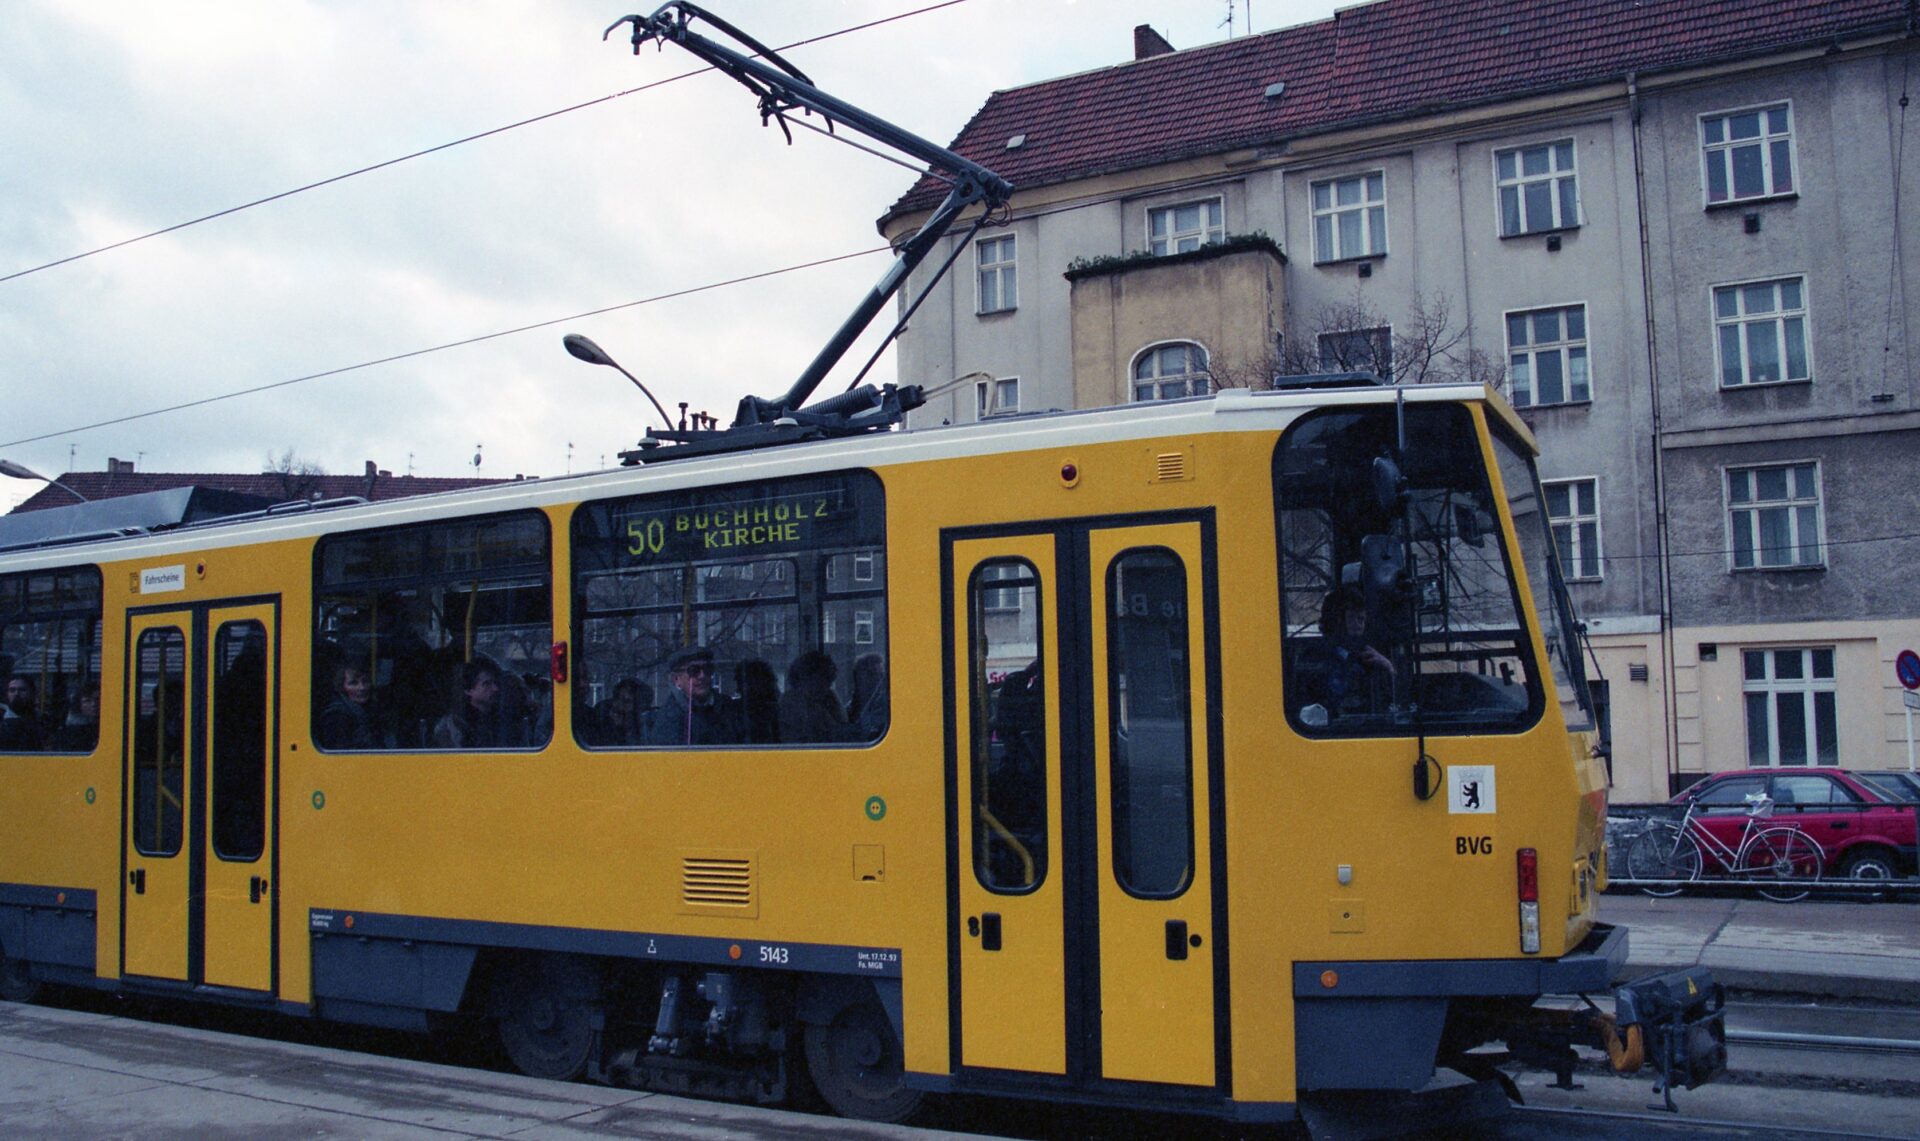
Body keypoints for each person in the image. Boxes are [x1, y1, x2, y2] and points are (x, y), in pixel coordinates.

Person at [1295, 586, 1394, 725]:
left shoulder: (1364, 657)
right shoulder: (1316, 657)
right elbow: (1335, 698)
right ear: (1336, 619)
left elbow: (1387, 703)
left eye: (1363, 617)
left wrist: (1388, 668)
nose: (1361, 622)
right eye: (1353, 615)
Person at [642, 646, 740, 746]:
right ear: (676, 679)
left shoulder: (729, 708)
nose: (702, 676)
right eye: (694, 671)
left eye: (707, 669)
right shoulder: (667, 719)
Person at [431, 657, 505, 749]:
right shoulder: (454, 725)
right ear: (469, 690)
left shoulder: (502, 718)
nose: (495, 689)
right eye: (486, 684)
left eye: (495, 683)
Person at [316, 663, 388, 750]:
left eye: (365, 681)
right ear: (341, 687)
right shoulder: (336, 715)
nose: (362, 688)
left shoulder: (370, 710)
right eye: (353, 683)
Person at [779, 650, 846, 744]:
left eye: (829, 681)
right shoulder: (790, 703)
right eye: (823, 679)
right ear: (806, 677)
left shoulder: (830, 698)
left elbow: (841, 730)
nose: (826, 686)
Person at [734, 659, 781, 744]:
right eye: (740, 684)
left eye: (744, 683)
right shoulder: (732, 711)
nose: (739, 689)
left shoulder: (777, 712)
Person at [846, 653, 888, 740]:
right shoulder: (854, 703)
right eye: (870, 674)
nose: (878, 680)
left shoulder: (882, 703)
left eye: (879, 675)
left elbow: (867, 730)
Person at [50, 681, 100, 751]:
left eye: (97, 699)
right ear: (79, 705)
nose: (94, 704)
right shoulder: (69, 733)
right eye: (87, 701)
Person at [0, 675, 45, 751]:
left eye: (22, 690)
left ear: (32, 693)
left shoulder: (43, 721)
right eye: (12, 690)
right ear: (7, 694)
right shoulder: (2, 722)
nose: (16, 694)